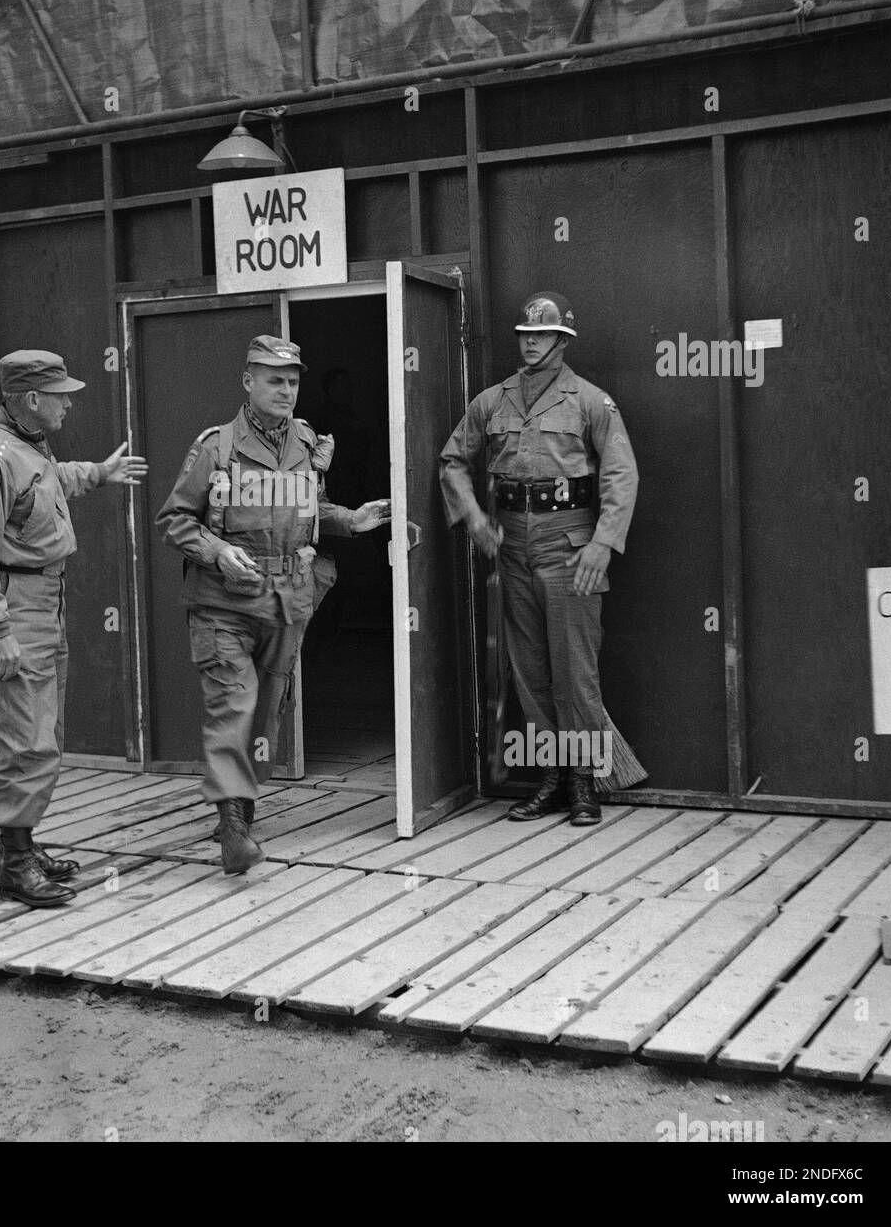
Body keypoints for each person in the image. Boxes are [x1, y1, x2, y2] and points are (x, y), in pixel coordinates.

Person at [156, 336, 391, 874]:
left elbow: (313, 510)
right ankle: (233, 828)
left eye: (292, 381)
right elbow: (174, 520)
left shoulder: (306, 444)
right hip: (224, 603)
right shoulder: (216, 447)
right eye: (274, 380)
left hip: (286, 599)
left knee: (267, 709)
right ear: (248, 382)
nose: (286, 390)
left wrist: (350, 521)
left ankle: (240, 804)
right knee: (232, 703)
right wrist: (216, 552)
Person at [0, 349, 147, 907]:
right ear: (32, 400)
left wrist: (100, 475)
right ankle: (13, 862)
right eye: (61, 394)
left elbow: (47, 482)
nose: (68, 403)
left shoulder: (25, 446)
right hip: (11, 604)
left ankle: (22, 843)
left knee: (43, 732)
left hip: (42, 598)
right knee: (26, 735)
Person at [439, 293, 638, 826]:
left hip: (569, 547)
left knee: (575, 670)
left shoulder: (591, 401)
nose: (530, 341)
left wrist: (603, 542)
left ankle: (582, 782)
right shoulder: (491, 401)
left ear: (562, 339)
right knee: (529, 671)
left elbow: (621, 474)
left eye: (542, 333)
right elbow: (453, 460)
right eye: (524, 333)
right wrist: (474, 518)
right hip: (512, 548)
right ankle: (551, 778)